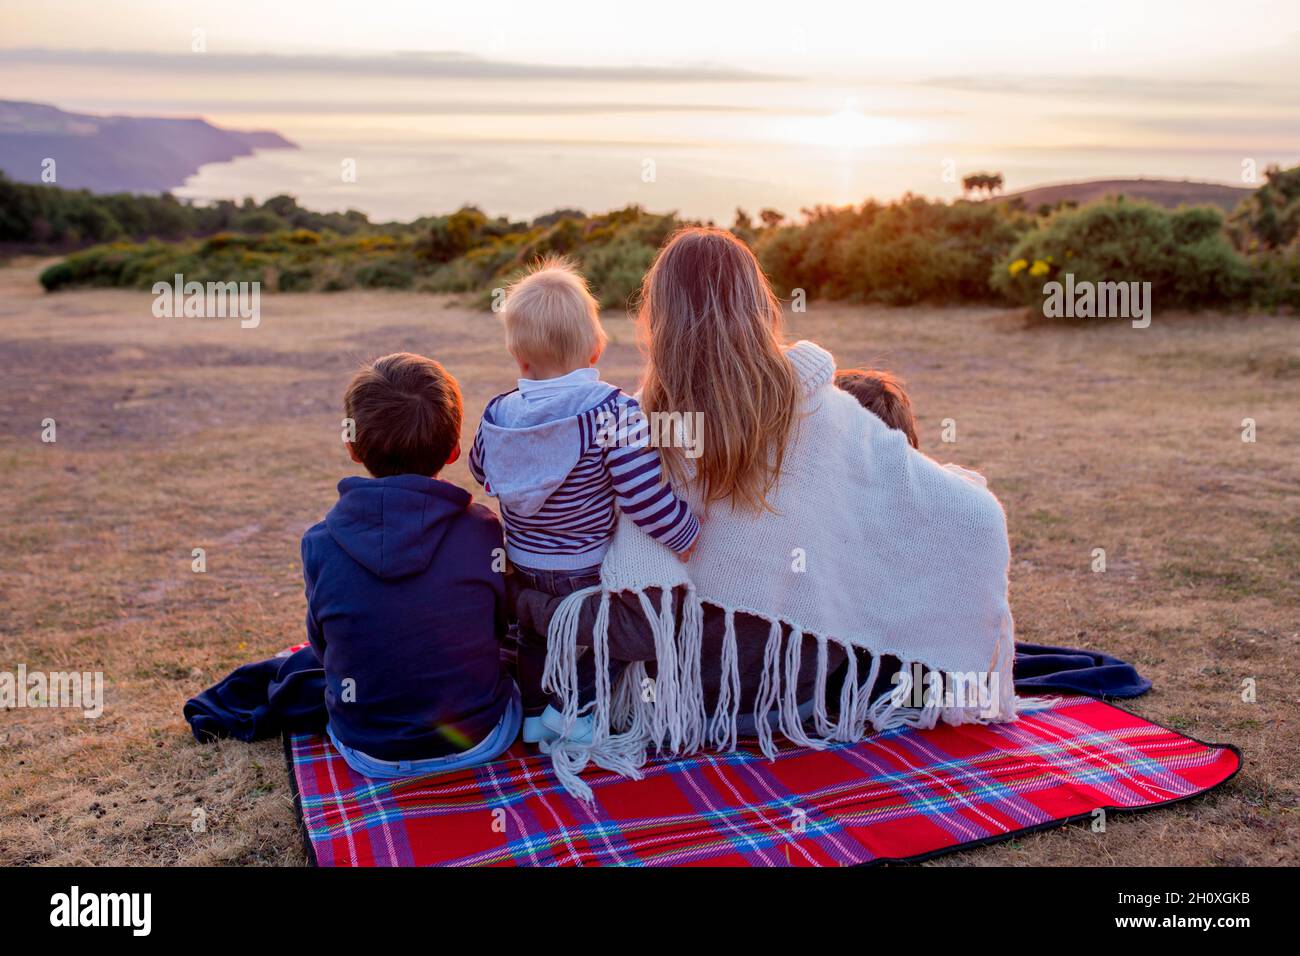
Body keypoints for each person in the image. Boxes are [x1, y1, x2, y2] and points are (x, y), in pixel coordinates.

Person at [467, 258, 699, 745]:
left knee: (534, 635)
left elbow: (481, 469)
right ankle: (579, 708)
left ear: (519, 357)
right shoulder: (614, 412)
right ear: (595, 349)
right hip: (586, 561)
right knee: (614, 631)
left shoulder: (500, 412)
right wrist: (685, 533)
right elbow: (641, 496)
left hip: (526, 558)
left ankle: (533, 714)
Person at [301, 352, 518, 779]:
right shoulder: (482, 530)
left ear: (351, 446)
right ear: (455, 449)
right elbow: (497, 628)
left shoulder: (319, 543)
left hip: (368, 748)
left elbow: (323, 648)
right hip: (482, 738)